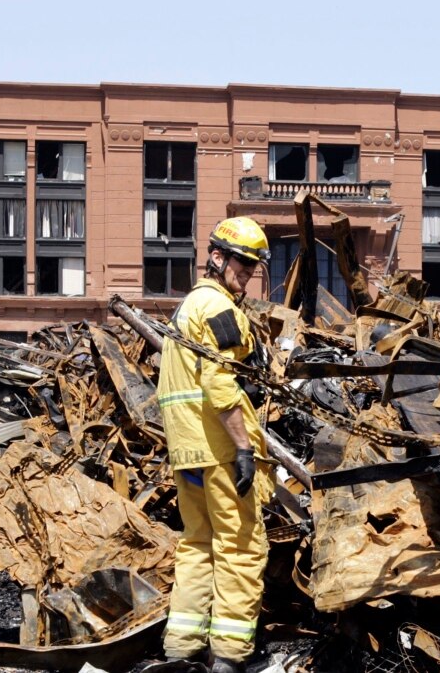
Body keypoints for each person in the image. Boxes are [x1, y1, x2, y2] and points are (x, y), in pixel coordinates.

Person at [158, 216, 273, 673]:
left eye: (253, 266)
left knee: (197, 544)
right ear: (217, 257)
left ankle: (182, 649)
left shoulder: (186, 308)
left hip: (186, 451)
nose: (246, 273)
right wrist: (244, 447)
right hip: (221, 450)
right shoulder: (219, 309)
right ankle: (229, 655)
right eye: (241, 262)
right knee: (241, 546)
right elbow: (218, 383)